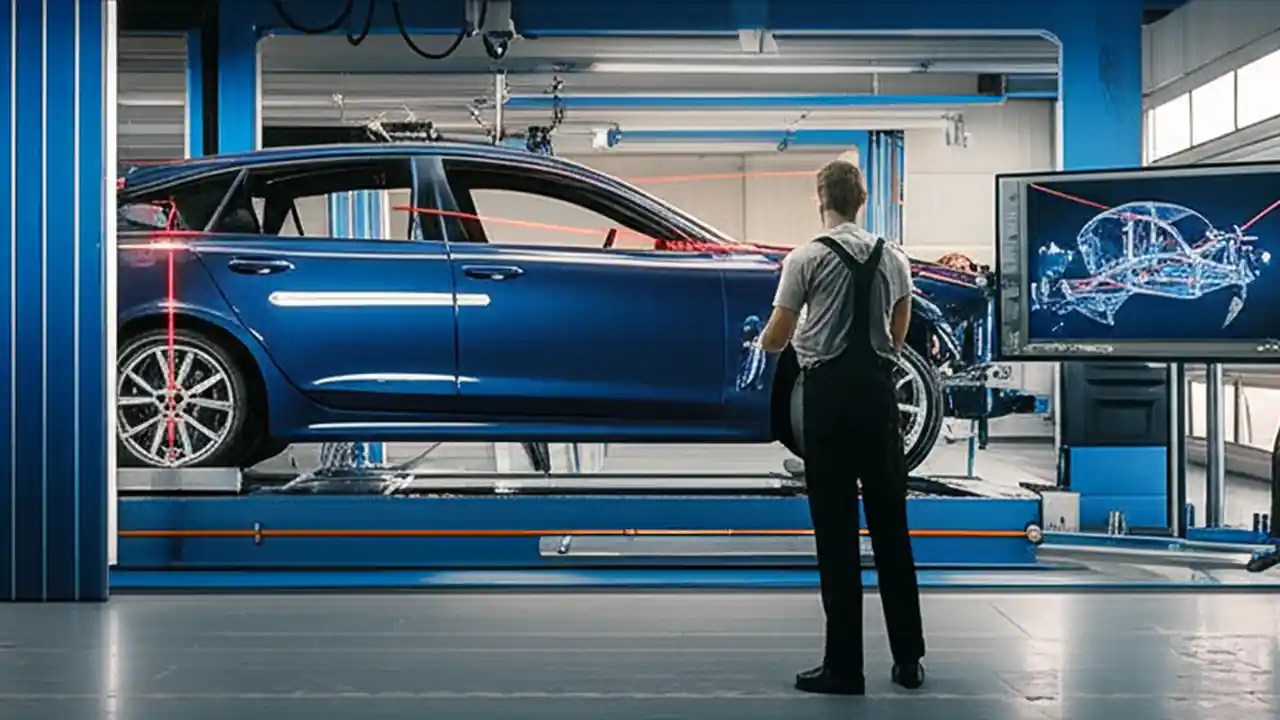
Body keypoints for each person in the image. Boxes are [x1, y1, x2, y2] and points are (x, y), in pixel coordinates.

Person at [759, 159, 926, 695]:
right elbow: (901, 322)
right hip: (877, 399)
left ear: (820, 199)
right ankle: (908, 661)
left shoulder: (804, 258)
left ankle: (845, 668)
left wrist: (764, 341)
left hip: (828, 403)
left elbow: (780, 334)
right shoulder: (893, 258)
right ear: (863, 199)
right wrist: (883, 354)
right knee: (892, 533)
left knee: (836, 538)